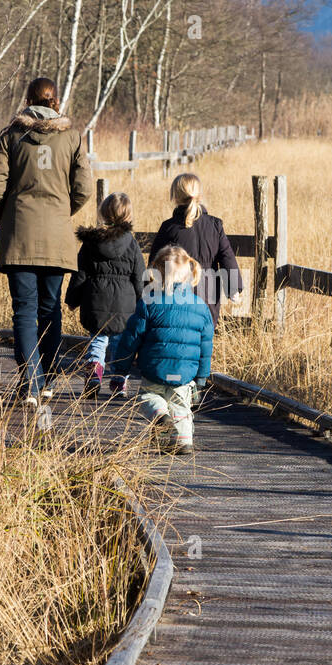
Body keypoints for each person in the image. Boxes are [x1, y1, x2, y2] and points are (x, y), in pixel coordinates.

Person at [0, 77, 92, 406]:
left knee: (24, 312)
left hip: (19, 236)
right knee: (50, 309)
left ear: (28, 99)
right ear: (54, 101)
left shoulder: (12, 135)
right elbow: (85, 188)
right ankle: (48, 379)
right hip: (56, 238)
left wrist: (5, 215)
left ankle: (30, 383)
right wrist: (62, 211)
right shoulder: (72, 137)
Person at [112, 244, 214, 454]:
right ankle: (184, 441)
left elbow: (131, 339)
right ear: (188, 275)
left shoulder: (148, 303)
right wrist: (202, 377)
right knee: (181, 406)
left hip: (154, 368)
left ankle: (159, 414)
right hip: (185, 373)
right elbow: (206, 345)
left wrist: (120, 369)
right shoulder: (201, 306)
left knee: (149, 396)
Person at [65, 191, 146, 397]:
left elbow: (80, 274)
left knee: (98, 340)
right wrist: (142, 299)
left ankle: (94, 371)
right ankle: (119, 380)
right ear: (128, 215)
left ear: (103, 213)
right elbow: (139, 276)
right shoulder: (132, 243)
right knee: (120, 344)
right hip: (124, 305)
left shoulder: (90, 243)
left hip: (95, 301)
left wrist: (72, 299)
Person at [149, 173, 242, 327]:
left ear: (175, 196)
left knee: (181, 338)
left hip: (178, 295)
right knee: (204, 339)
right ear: (199, 195)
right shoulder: (215, 225)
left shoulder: (169, 228)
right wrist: (234, 289)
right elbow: (227, 257)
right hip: (209, 295)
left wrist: (149, 292)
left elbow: (155, 264)